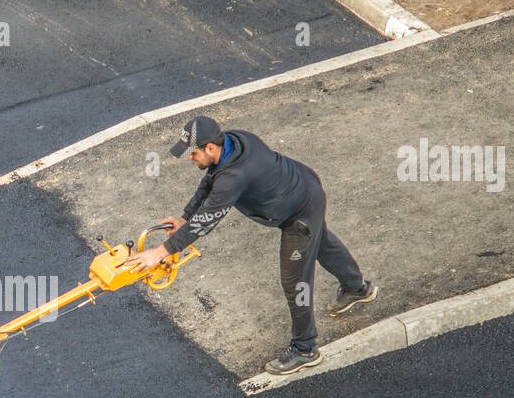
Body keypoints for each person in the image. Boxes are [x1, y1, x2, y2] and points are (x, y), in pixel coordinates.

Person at [126, 116, 377, 374]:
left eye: (193, 153)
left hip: (299, 213)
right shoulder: (234, 141)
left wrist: (160, 252)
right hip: (305, 187)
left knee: (295, 280)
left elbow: (206, 220)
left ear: (210, 148)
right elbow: (209, 182)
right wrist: (184, 216)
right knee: (322, 243)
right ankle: (357, 288)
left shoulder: (235, 176)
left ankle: (305, 348)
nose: (190, 158)